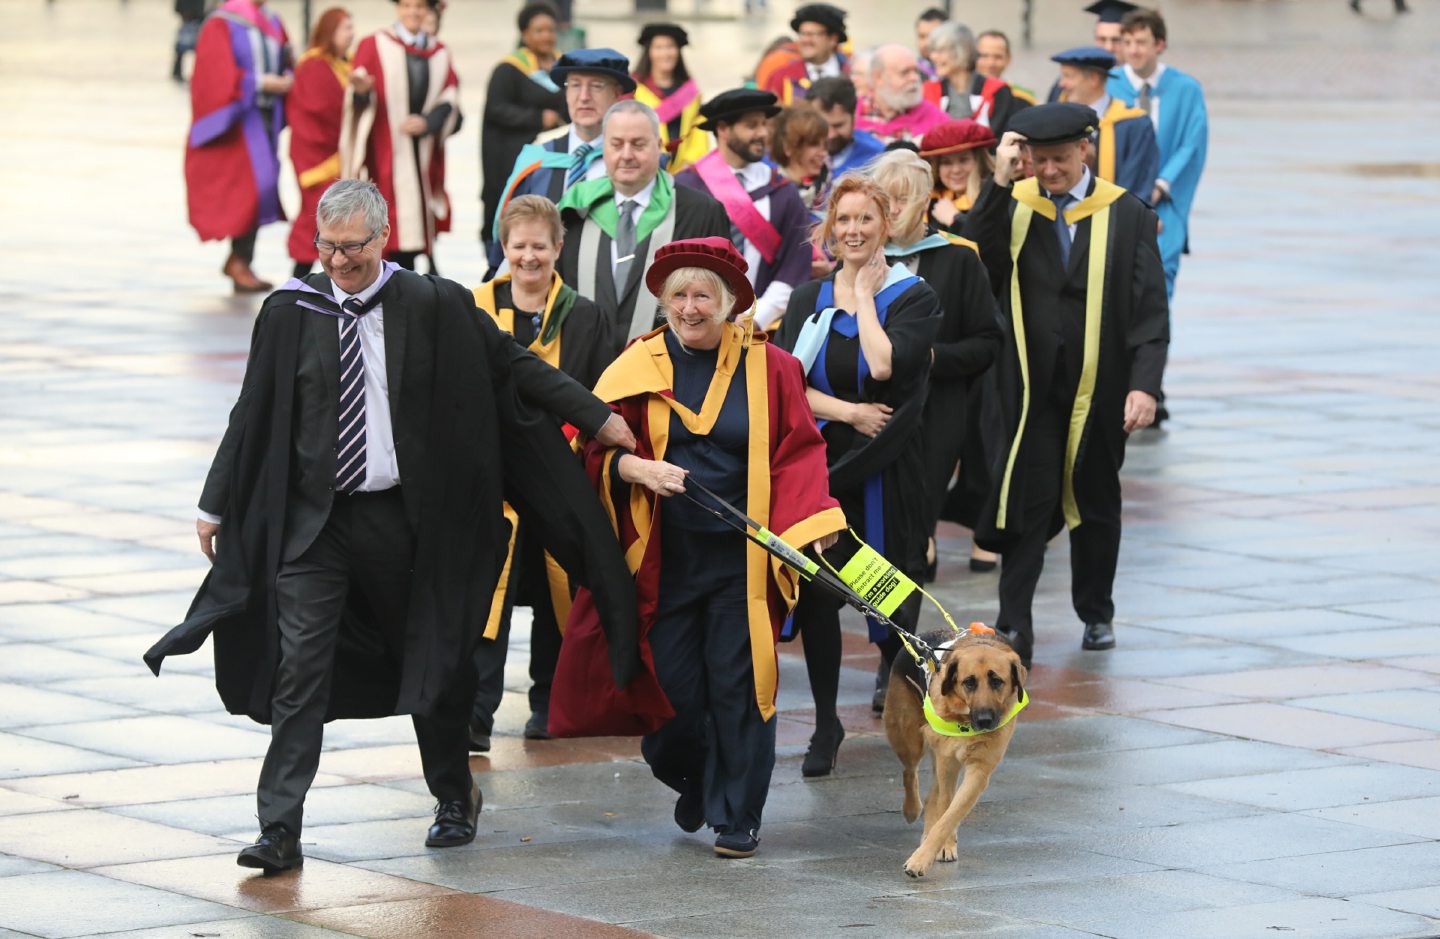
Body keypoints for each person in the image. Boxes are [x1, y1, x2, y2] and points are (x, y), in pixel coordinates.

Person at [144, 179, 643, 874]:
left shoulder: (432, 303)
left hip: (406, 521)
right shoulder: (291, 311)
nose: (338, 261)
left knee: (433, 661)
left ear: (383, 237)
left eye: (352, 247)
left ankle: (453, 796)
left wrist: (596, 416)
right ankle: (279, 828)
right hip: (316, 523)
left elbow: (511, 363)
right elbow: (252, 407)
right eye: (327, 247)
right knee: (300, 668)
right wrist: (215, 502)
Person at [550, 237, 846, 859]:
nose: (690, 307)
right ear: (663, 301)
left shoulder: (773, 368)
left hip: (742, 561)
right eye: (679, 295)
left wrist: (816, 519)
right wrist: (635, 468)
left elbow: (799, 453)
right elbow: (588, 449)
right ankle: (695, 776)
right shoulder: (636, 364)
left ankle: (738, 814)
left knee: (742, 687)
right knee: (671, 693)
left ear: (730, 302)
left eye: (703, 296)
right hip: (663, 560)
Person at [962, 104, 1168, 668]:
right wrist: (999, 182)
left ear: (1084, 149)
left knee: (1095, 501)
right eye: (1039, 159)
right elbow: (977, 264)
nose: (1049, 170)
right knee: (1026, 502)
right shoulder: (1014, 203)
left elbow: (1150, 310)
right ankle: (1014, 622)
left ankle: (1096, 611)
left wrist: (1145, 386)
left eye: (1059, 159)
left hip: (1100, 389)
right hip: (1027, 390)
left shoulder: (1127, 213)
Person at [774, 175, 941, 774]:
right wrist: (847, 412)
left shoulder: (912, 296)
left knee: (894, 595)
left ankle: (902, 705)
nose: (853, 230)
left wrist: (865, 298)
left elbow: (884, 365)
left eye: (865, 219)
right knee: (820, 596)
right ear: (829, 227)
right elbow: (786, 385)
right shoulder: (806, 299)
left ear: (886, 225)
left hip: (888, 471)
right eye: (843, 219)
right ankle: (826, 724)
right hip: (821, 473)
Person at [469, 196, 613, 751]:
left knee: (559, 596)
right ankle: (475, 714)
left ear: (559, 247)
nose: (528, 257)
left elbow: (599, 394)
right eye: (518, 246)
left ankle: (549, 702)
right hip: (493, 482)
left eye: (539, 246)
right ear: (503, 248)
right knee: (488, 597)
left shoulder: (585, 315)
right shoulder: (475, 307)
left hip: (559, 475)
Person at [871, 150, 1002, 585]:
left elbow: (988, 341)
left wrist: (933, 357)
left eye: (902, 199)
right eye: (883, 199)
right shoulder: (861, 257)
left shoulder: (959, 258)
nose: (891, 210)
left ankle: (905, 608)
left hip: (937, 408)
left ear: (925, 200)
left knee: (915, 525)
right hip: (872, 409)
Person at [555, 100, 730, 359]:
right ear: (604, 148)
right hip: (581, 371)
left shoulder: (701, 212)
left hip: (671, 370)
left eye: (638, 144)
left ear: (658, 146)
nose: (626, 155)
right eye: (616, 144)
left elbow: (721, 304)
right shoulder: (572, 211)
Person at [675, 89, 811, 331]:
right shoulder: (686, 188)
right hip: (692, 324)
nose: (763, 133)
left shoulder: (782, 191)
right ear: (723, 129)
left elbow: (795, 265)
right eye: (751, 126)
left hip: (761, 330)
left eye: (764, 124)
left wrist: (754, 318)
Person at [340, 0, 461, 273]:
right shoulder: (374, 45)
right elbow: (357, 101)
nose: (413, 12)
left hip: (422, 153)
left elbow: (449, 97)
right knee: (388, 222)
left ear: (429, 10)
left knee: (417, 223)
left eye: (419, 6)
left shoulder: (439, 52)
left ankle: (409, 279)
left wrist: (428, 122)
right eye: (406, 5)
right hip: (384, 151)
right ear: (397, 8)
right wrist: (361, 92)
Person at [185, 0, 292, 294]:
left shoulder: (272, 20)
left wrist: (288, 78)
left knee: (262, 189)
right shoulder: (222, 22)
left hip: (267, 116)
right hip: (238, 120)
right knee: (251, 191)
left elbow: (287, 59)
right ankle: (239, 261)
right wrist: (258, 83)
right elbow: (213, 74)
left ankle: (241, 260)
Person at [1110, 7, 1207, 301]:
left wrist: (1161, 185)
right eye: (1127, 42)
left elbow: (1192, 144)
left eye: (1141, 42)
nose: (1133, 50)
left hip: (1165, 201)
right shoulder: (1109, 84)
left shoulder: (1186, 89)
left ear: (1159, 44)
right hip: (1115, 200)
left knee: (1159, 288)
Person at [491, 48, 633, 246]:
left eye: (596, 86)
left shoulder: (632, 163)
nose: (584, 96)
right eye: (575, 85)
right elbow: (507, 238)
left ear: (617, 94)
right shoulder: (538, 158)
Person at [480, 2, 565, 271]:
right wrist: (538, 119)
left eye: (550, 30)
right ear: (525, 34)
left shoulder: (563, 67)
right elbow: (496, 109)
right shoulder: (509, 69)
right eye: (539, 30)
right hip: (512, 158)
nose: (546, 36)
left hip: (553, 160)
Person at [287, 8, 359, 281]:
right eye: (345, 28)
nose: (351, 34)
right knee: (315, 219)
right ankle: (298, 281)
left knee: (338, 222)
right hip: (319, 157)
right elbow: (323, 109)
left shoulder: (345, 63)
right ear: (330, 32)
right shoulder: (313, 65)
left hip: (341, 156)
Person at [1053, 47, 1158, 199]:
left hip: (1117, 211)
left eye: (1068, 76)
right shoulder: (1057, 120)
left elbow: (1137, 187)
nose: (1061, 84)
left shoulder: (1135, 125)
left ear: (1093, 79)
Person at [923, 22, 1028, 136]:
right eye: (933, 51)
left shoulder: (998, 91)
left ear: (962, 51)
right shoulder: (928, 91)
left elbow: (998, 138)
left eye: (941, 51)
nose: (933, 57)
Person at [632, 23, 709, 174]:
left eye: (670, 47)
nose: (666, 53)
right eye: (659, 47)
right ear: (649, 52)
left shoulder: (691, 92)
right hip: (643, 170)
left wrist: (689, 162)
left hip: (683, 173)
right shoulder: (634, 91)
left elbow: (698, 131)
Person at [1045, 1, 1137, 102]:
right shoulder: (1070, 83)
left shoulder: (1138, 82)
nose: (1108, 48)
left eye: (1116, 40)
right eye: (1102, 39)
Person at [761, 3, 851, 105]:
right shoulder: (781, 77)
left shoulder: (852, 74)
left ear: (833, 39)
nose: (805, 40)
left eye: (812, 34)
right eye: (802, 34)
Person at [858, 45, 948, 144]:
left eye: (916, 71)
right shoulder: (853, 114)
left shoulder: (935, 118)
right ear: (878, 77)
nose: (914, 78)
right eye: (905, 73)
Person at [920, 118, 996, 233]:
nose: (956, 170)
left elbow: (992, 240)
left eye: (963, 160)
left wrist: (955, 219)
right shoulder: (930, 200)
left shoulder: (994, 198)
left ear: (979, 161)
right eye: (946, 162)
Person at [807, 77, 885, 181]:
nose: (830, 135)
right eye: (822, 126)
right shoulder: (793, 155)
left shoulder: (876, 160)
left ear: (854, 117)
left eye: (838, 126)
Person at [770, 105, 831, 213]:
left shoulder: (829, 190)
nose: (823, 153)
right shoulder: (772, 194)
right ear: (788, 147)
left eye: (825, 145)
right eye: (813, 143)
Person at [976, 30, 1037, 105]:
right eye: (984, 56)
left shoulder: (1023, 98)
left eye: (998, 57)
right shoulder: (963, 95)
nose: (991, 63)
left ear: (1008, 59)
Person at [173, 0, 206, 82]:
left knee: (191, 46)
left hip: (192, 16)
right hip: (192, 16)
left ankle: (180, 71)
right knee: (185, 45)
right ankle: (178, 71)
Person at [914, 7, 948, 79]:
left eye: (932, 37)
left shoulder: (958, 75)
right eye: (922, 36)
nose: (926, 43)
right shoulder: (912, 75)